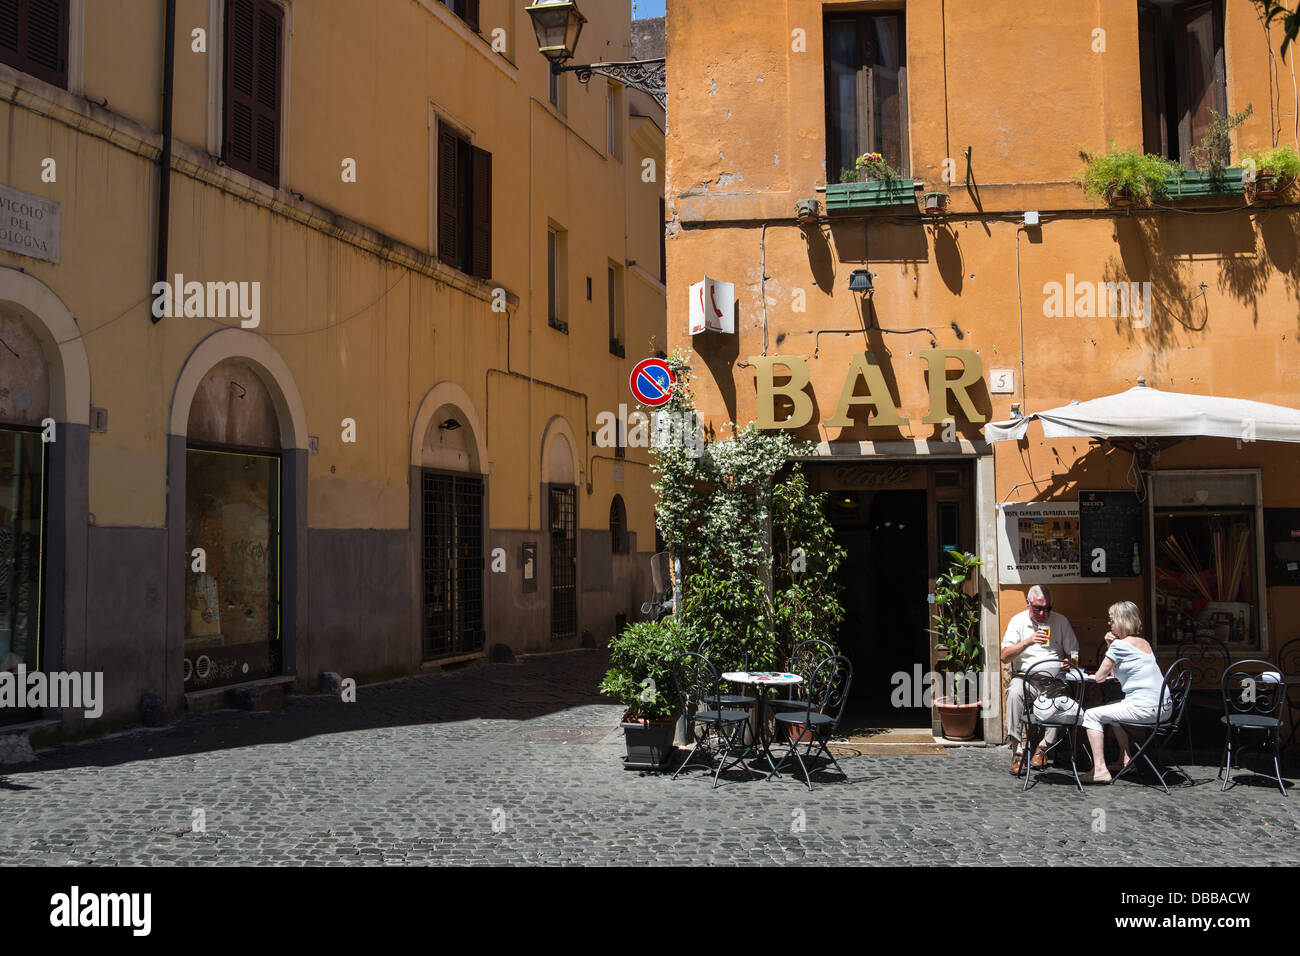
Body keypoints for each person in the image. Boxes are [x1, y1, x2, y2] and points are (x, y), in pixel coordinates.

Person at [1081, 601, 1170, 784]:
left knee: (1091, 715)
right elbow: (1116, 674)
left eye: (1111, 619)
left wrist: (1110, 647)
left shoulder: (1119, 646)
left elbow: (1099, 677)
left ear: (1121, 621)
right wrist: (1110, 646)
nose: (1109, 623)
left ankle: (1099, 770)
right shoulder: (1144, 643)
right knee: (1112, 710)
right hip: (1165, 707)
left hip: (1145, 709)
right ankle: (1126, 759)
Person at [1001, 585, 1079, 774]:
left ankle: (1044, 748)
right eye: (1038, 608)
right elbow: (1004, 656)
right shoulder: (1017, 621)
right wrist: (1028, 641)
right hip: (1026, 678)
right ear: (1028, 604)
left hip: (1054, 680)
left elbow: (1073, 653)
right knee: (1014, 692)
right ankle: (1017, 750)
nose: (1043, 613)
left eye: (1047, 608)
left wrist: (1068, 662)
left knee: (1060, 697)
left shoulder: (1060, 621)